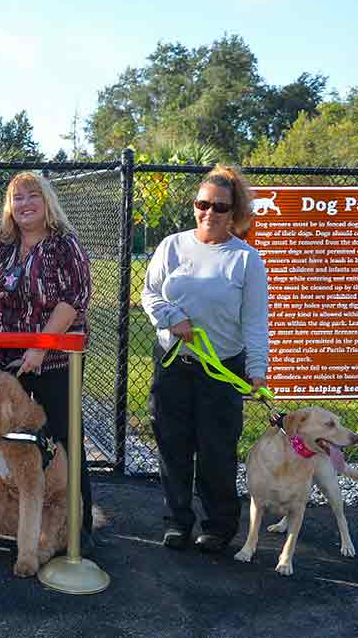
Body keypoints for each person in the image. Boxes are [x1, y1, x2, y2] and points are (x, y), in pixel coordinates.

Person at [141, 164, 268, 553]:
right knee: (173, 446)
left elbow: (255, 321)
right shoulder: (172, 246)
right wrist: (172, 317)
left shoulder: (246, 260)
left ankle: (218, 526)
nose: (209, 213)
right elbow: (150, 294)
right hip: (174, 363)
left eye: (219, 207)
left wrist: (257, 371)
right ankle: (177, 521)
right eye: (202, 204)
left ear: (235, 213)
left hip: (222, 368)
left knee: (216, 450)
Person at [0, 171, 95, 542]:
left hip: (53, 361)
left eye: (32, 196)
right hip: (0, 361)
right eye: (17, 197)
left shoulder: (64, 245)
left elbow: (74, 299)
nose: (24, 204)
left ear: (47, 202)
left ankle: (76, 526)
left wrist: (39, 348)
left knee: (64, 441)